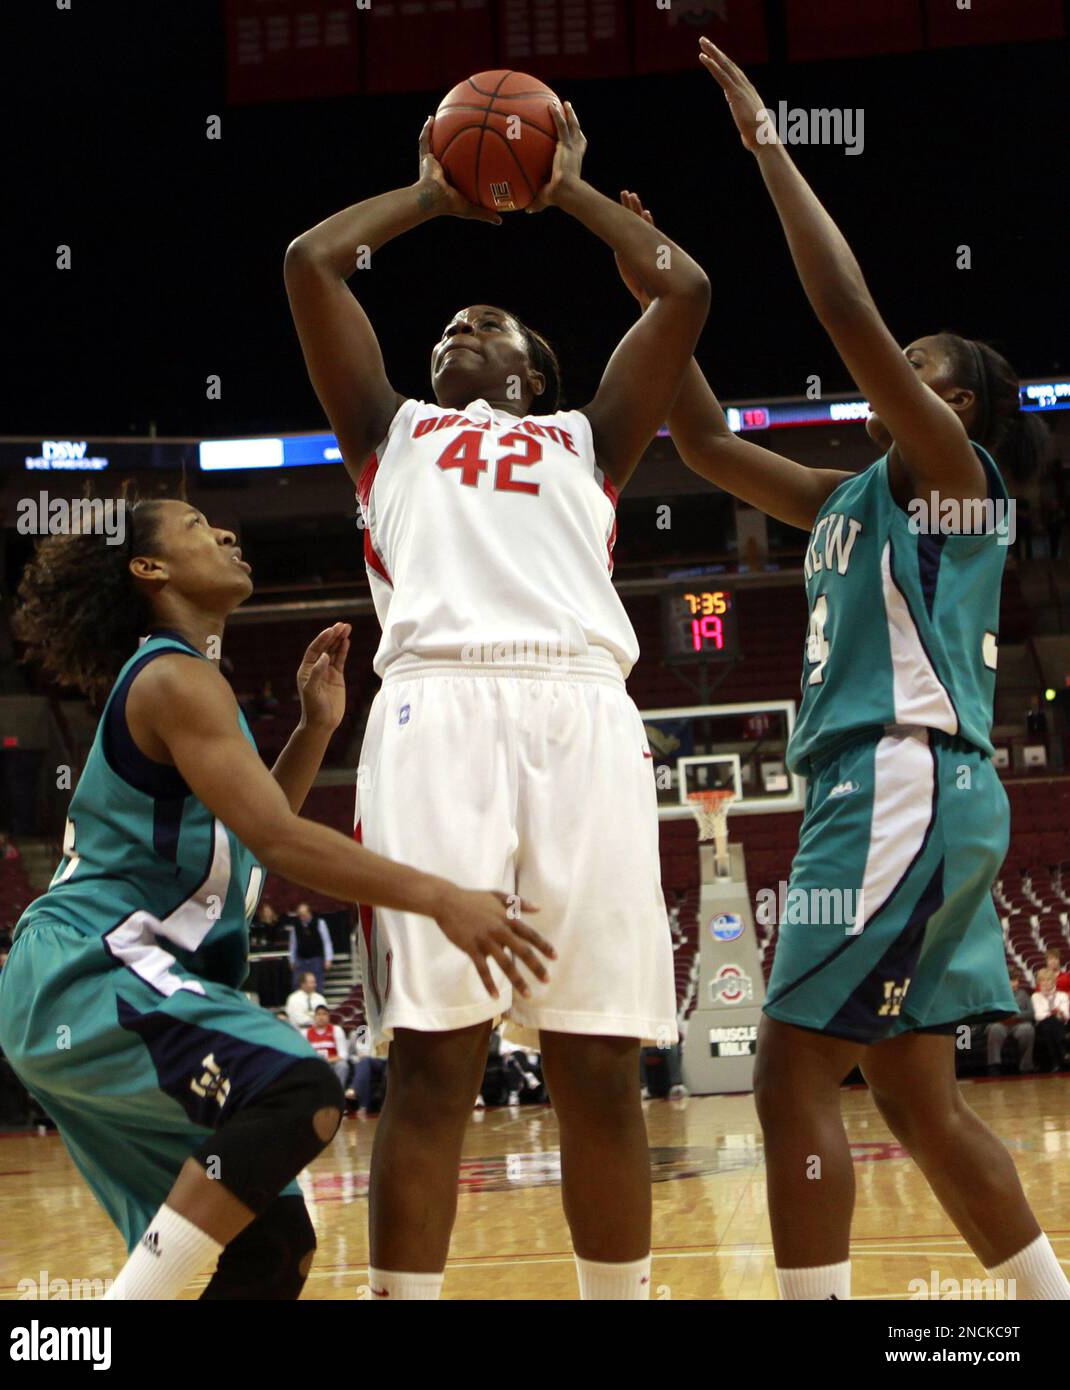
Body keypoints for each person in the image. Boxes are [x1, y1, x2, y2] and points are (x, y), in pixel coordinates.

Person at [608, 36, 1067, 1302]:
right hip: (909, 793)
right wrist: (652, 293)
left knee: (789, 1072)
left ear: (962, 407)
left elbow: (846, 314)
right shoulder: (847, 497)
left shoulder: (959, 486)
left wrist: (767, 146)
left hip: (895, 787)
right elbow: (696, 437)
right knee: (915, 1096)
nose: (897, 372)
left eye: (926, 368)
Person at [285, 99, 710, 1300]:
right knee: (432, 1063)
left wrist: (566, 187)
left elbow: (683, 296)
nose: (459, 327)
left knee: (599, 1066)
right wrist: (431, 193)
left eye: (488, 320)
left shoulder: (592, 438)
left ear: (533, 373)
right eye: (448, 324)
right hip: (439, 713)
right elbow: (309, 262)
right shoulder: (391, 429)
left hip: (584, 712)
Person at [0, 494, 553, 1301]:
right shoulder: (173, 678)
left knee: (277, 1244)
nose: (225, 530)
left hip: (78, 986)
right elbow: (285, 844)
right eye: (194, 528)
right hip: (90, 967)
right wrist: (442, 897)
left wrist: (313, 730)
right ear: (147, 569)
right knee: (297, 1088)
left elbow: (253, 838)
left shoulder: (189, 681)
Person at [986, 972, 1035, 1074]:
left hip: (1019, 1023)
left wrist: (1016, 1015)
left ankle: (1026, 1065)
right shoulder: (995, 994)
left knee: (1028, 1030)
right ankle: (994, 1065)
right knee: (995, 1029)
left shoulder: (1023, 994)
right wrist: (1003, 1016)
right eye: (1012, 980)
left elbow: (1031, 1013)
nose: (1015, 983)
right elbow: (989, 1012)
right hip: (1000, 1023)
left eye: (1016, 980)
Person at [285, 901, 333, 993]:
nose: (302, 917)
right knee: (296, 985)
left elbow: (326, 942)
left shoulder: (319, 923)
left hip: (316, 959)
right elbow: (293, 944)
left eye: (304, 914)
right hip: (301, 960)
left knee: (317, 985)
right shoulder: (296, 926)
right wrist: (292, 960)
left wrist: (328, 959)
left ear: (309, 913)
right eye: (300, 914)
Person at [1031, 969, 1070, 1072]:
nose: (1046, 983)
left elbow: (1066, 1014)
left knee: (1050, 1028)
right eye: (1043, 980)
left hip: (1059, 1023)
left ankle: (1056, 1063)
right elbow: (1038, 1015)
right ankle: (1064, 1047)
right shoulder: (1035, 996)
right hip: (1043, 1024)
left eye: (1049, 980)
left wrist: (1060, 1014)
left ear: (1054, 981)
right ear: (1039, 983)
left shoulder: (1062, 995)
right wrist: (1051, 1013)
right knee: (1049, 1022)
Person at [306, 1005, 351, 1091]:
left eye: (324, 1014)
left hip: (332, 1063)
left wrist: (328, 1060)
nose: (321, 1017)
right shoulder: (306, 1032)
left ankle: (338, 1093)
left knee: (343, 1065)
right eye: (318, 1014)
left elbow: (343, 1054)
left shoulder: (336, 1030)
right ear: (314, 1017)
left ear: (328, 1017)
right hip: (314, 1064)